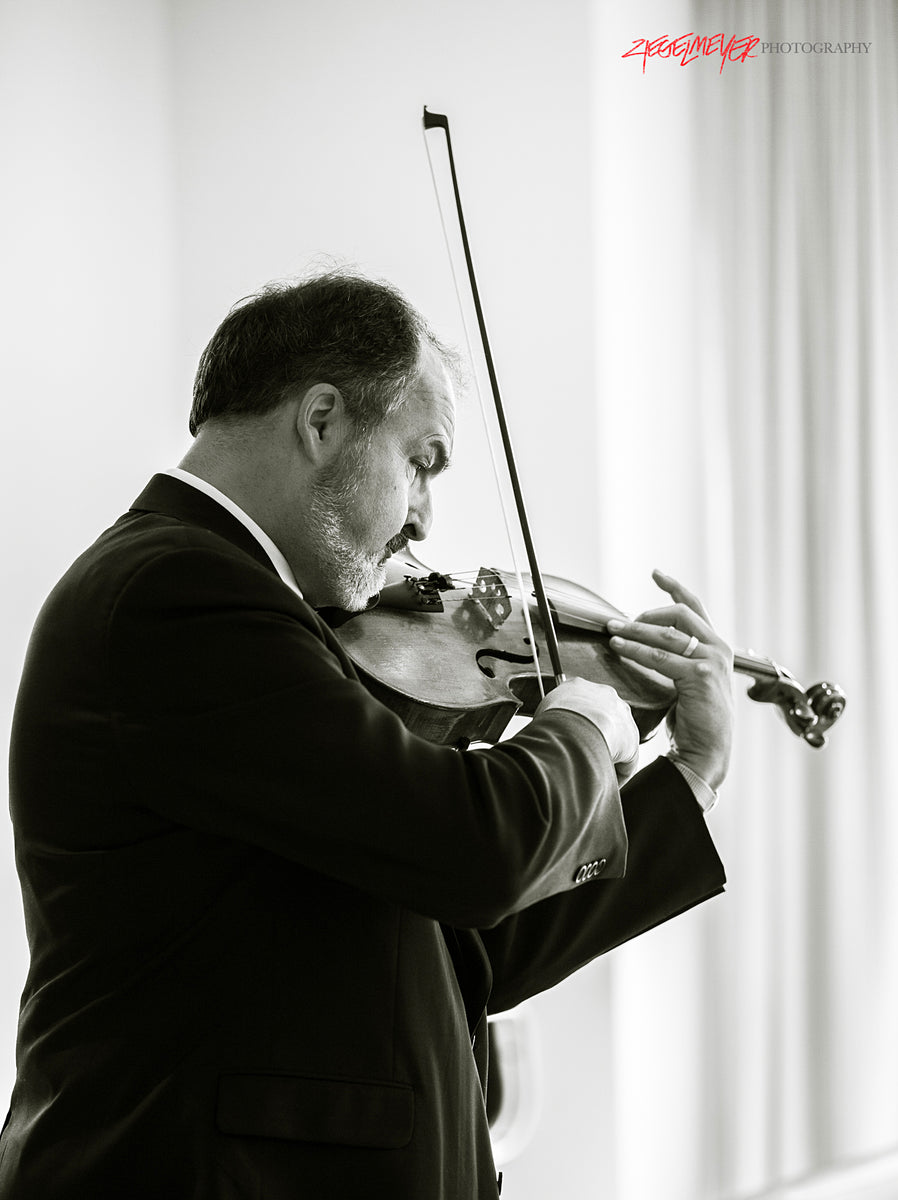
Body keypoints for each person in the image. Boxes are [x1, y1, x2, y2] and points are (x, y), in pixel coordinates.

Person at [0, 270, 732, 1199]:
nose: (426, 516)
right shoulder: (175, 594)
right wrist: (589, 715)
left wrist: (689, 776)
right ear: (320, 421)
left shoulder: (251, 613)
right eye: (422, 460)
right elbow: (475, 850)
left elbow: (461, 948)